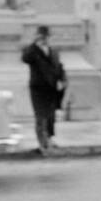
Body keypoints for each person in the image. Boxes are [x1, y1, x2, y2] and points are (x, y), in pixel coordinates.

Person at [20, 25, 66, 154]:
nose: (45, 39)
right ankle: (42, 143)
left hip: (51, 88)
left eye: (46, 36)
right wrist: (35, 43)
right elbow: (25, 58)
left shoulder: (52, 51)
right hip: (38, 89)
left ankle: (49, 139)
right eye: (42, 36)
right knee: (41, 116)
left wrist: (62, 79)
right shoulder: (32, 50)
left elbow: (59, 66)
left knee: (51, 116)